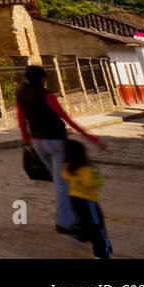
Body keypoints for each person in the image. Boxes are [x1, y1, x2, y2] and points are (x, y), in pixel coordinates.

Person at [16, 64, 103, 238]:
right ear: (41, 79)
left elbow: (20, 118)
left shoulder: (21, 93)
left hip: (37, 142)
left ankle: (72, 217)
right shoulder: (46, 96)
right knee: (63, 184)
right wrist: (90, 138)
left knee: (61, 182)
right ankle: (65, 223)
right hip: (55, 142)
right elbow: (66, 118)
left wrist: (26, 138)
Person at [62, 139, 111, 259]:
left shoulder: (67, 167)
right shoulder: (86, 170)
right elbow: (95, 182)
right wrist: (96, 176)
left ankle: (83, 235)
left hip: (74, 199)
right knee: (97, 225)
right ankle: (102, 253)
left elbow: (65, 177)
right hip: (88, 201)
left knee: (84, 221)